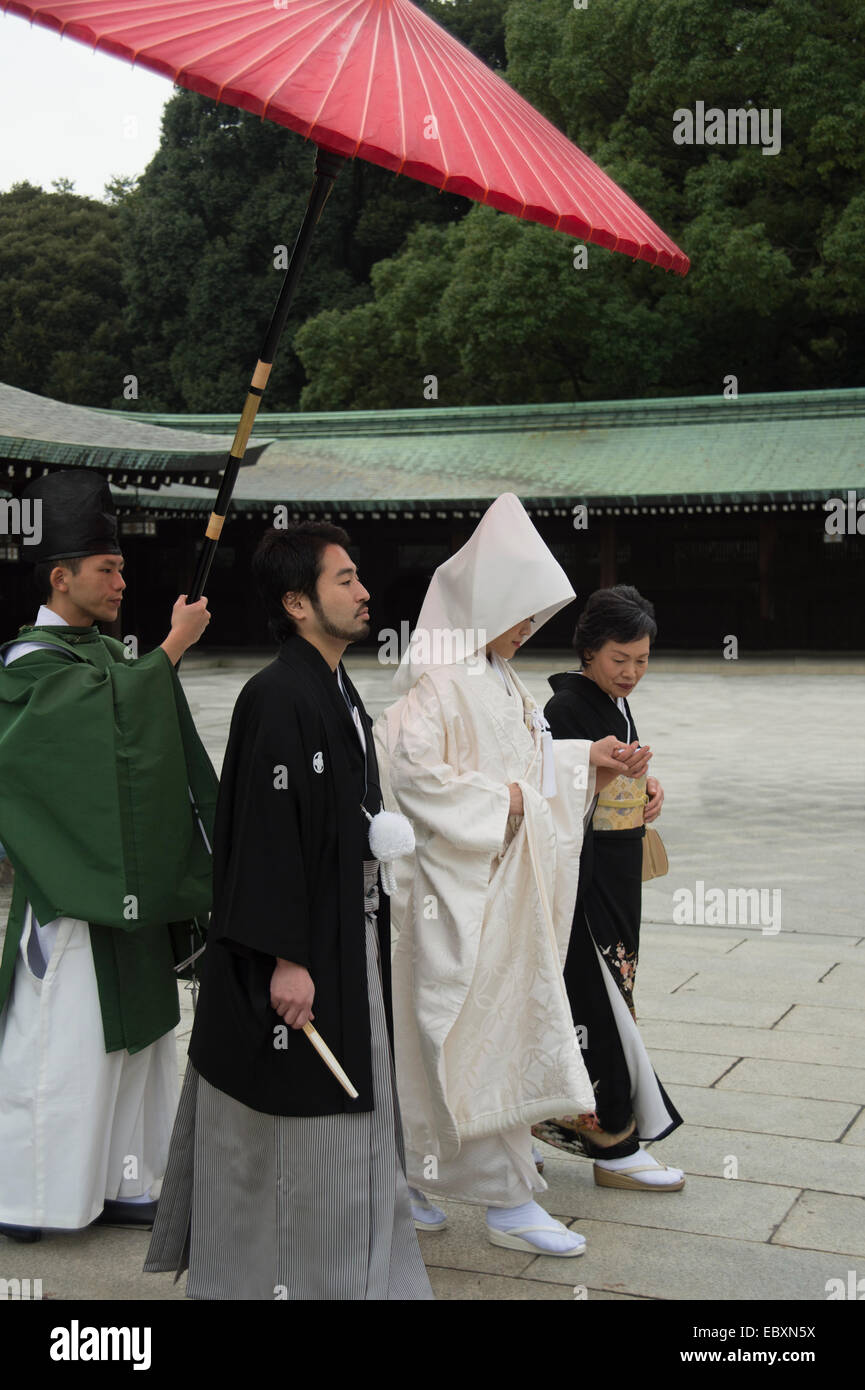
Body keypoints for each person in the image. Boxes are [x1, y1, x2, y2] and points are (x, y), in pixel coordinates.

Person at [145, 523, 432, 1300]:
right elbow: (266, 839)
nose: (364, 591)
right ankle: (284, 1280)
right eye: (344, 580)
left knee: (348, 1108)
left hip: (345, 930)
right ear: (298, 603)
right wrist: (286, 957)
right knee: (284, 1123)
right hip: (301, 949)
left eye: (357, 578)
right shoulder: (275, 696)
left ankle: (353, 1273)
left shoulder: (334, 687)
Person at [376, 494, 650, 1258]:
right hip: (458, 893)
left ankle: (441, 1180)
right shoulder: (437, 683)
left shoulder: (502, 678)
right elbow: (417, 779)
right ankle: (486, 1195)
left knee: (501, 1032)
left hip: (507, 884)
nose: (527, 628)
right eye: (518, 611)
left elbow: (531, 761)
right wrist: (523, 798)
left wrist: (578, 762)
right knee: (464, 1037)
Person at [0, 469, 216, 1243]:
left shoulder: (94, 654)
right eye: (107, 568)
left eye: (122, 567)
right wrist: (168, 651)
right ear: (61, 577)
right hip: (69, 894)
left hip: (123, 891)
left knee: (141, 1046)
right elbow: (76, 744)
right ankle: (32, 1197)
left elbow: (132, 725)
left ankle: (127, 1181)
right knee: (64, 1049)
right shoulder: (27, 664)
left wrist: (155, 664)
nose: (122, 579)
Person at [533, 585, 684, 1189]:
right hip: (585, 881)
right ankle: (615, 1139)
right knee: (599, 1005)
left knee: (606, 1000)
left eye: (642, 660)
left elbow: (610, 776)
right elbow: (546, 786)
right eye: (620, 659)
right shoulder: (565, 708)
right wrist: (595, 773)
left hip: (616, 876)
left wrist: (647, 789)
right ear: (590, 651)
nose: (631, 672)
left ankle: (537, 1123)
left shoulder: (610, 703)